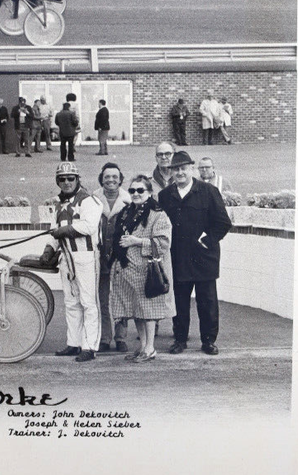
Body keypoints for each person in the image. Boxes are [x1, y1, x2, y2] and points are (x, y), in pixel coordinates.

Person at [159, 151, 233, 356]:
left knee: (207, 302)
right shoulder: (165, 195)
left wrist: (206, 240)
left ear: (191, 169)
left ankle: (208, 341)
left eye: (183, 168)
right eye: (176, 169)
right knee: (180, 302)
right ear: (171, 172)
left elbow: (223, 223)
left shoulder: (208, 191)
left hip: (204, 258)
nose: (180, 172)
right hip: (177, 258)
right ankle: (180, 339)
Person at [110, 175, 176, 362]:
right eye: (132, 190)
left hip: (145, 271)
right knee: (136, 311)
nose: (136, 194)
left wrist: (136, 241)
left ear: (149, 193)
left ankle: (150, 348)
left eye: (140, 190)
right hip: (127, 270)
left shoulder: (158, 214)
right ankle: (142, 347)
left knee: (147, 312)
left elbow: (163, 243)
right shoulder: (126, 212)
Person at [41, 162, 102, 362]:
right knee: (71, 303)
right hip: (66, 260)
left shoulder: (89, 201)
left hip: (86, 257)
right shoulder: (60, 205)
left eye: (70, 178)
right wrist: (49, 249)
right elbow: (53, 230)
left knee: (88, 303)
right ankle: (74, 344)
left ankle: (90, 346)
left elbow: (89, 226)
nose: (66, 182)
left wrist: (63, 232)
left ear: (78, 179)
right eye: (62, 179)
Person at [97, 163, 130, 353]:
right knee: (102, 299)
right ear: (102, 178)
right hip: (100, 256)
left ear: (120, 179)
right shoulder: (93, 199)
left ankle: (121, 337)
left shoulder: (128, 200)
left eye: (114, 176)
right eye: (107, 176)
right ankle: (104, 337)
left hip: (121, 258)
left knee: (121, 298)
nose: (111, 180)